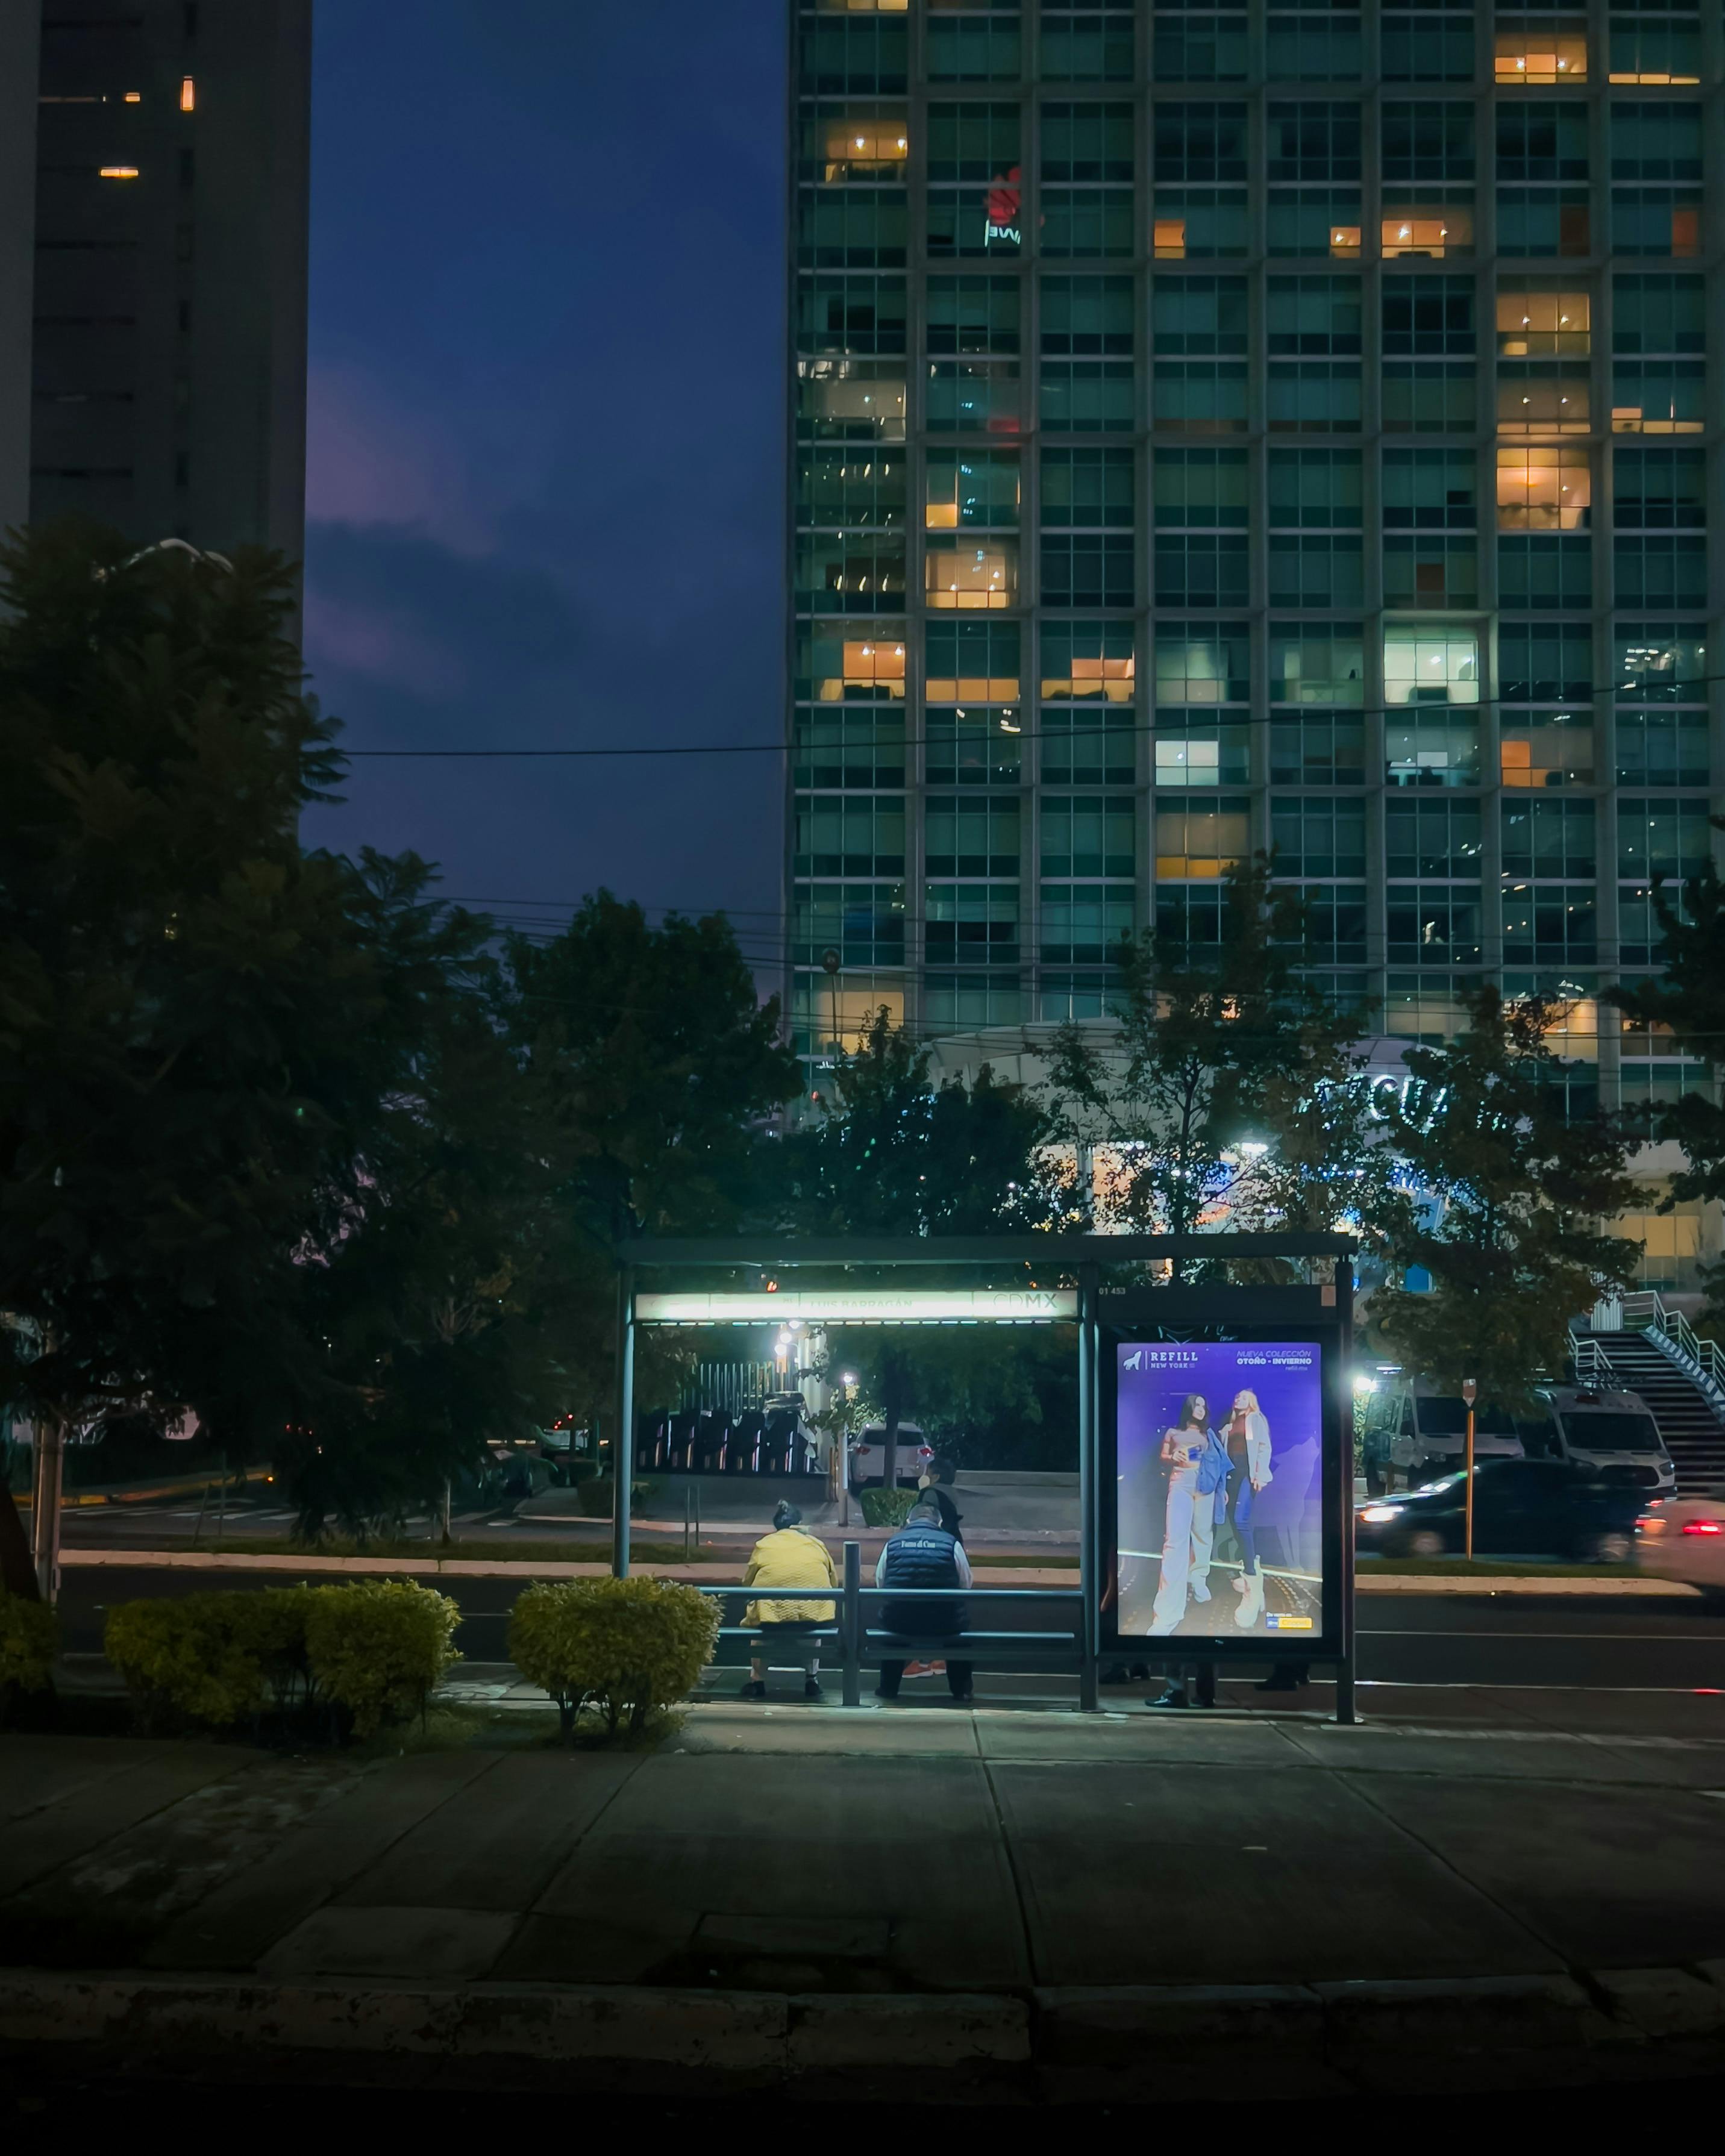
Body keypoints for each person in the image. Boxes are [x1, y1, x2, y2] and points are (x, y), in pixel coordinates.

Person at [874, 1496, 974, 1704]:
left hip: (899, 1620)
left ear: (908, 1522)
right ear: (939, 1523)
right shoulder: (952, 1544)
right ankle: (961, 1691)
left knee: (891, 1634)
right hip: (945, 1621)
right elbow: (966, 1584)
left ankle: (888, 1689)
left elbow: (880, 1582)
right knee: (962, 1639)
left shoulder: (892, 1543)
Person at [739, 1499, 836, 1701]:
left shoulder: (764, 1545)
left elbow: (748, 1582)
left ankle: (757, 1681)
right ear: (799, 1523)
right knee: (813, 1635)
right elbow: (833, 1579)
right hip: (811, 1618)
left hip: (771, 1619)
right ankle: (812, 1680)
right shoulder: (816, 1545)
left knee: (759, 1636)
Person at [1148, 1395, 1212, 1634]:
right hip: (1181, 1482)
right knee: (1175, 1542)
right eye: (1197, 1405)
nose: (1202, 1409)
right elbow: (1163, 1457)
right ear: (1189, 1408)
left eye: (1204, 1406)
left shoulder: (1208, 1436)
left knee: (1203, 1536)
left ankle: (1198, 1579)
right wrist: (1172, 1457)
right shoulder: (1173, 1433)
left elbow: (1214, 1462)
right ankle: (1166, 1615)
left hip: (1204, 1484)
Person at [1219, 1387, 1273, 1629]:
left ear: (1250, 1400)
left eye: (1242, 1396)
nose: (1237, 1398)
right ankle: (1253, 1578)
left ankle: (1251, 1577)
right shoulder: (1230, 1426)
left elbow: (1264, 1447)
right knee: (1232, 1523)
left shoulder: (1255, 1419)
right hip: (1231, 1476)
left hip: (1247, 1475)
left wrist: (1260, 1475)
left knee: (1242, 1521)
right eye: (1236, 1395)